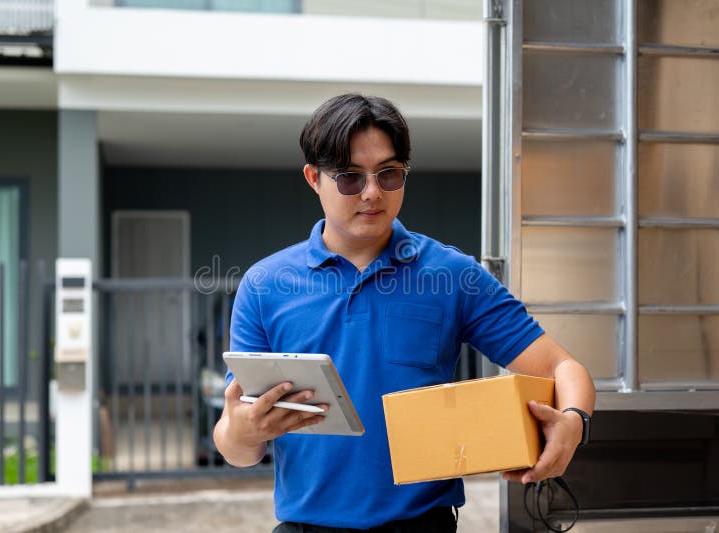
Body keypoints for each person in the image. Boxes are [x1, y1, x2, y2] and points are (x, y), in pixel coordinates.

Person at [213, 93, 596, 532]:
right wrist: (242, 433)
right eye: (350, 178)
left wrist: (573, 422)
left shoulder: (452, 276)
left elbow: (563, 368)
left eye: (389, 174)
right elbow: (237, 448)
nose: (372, 193)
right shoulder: (265, 286)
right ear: (313, 178)